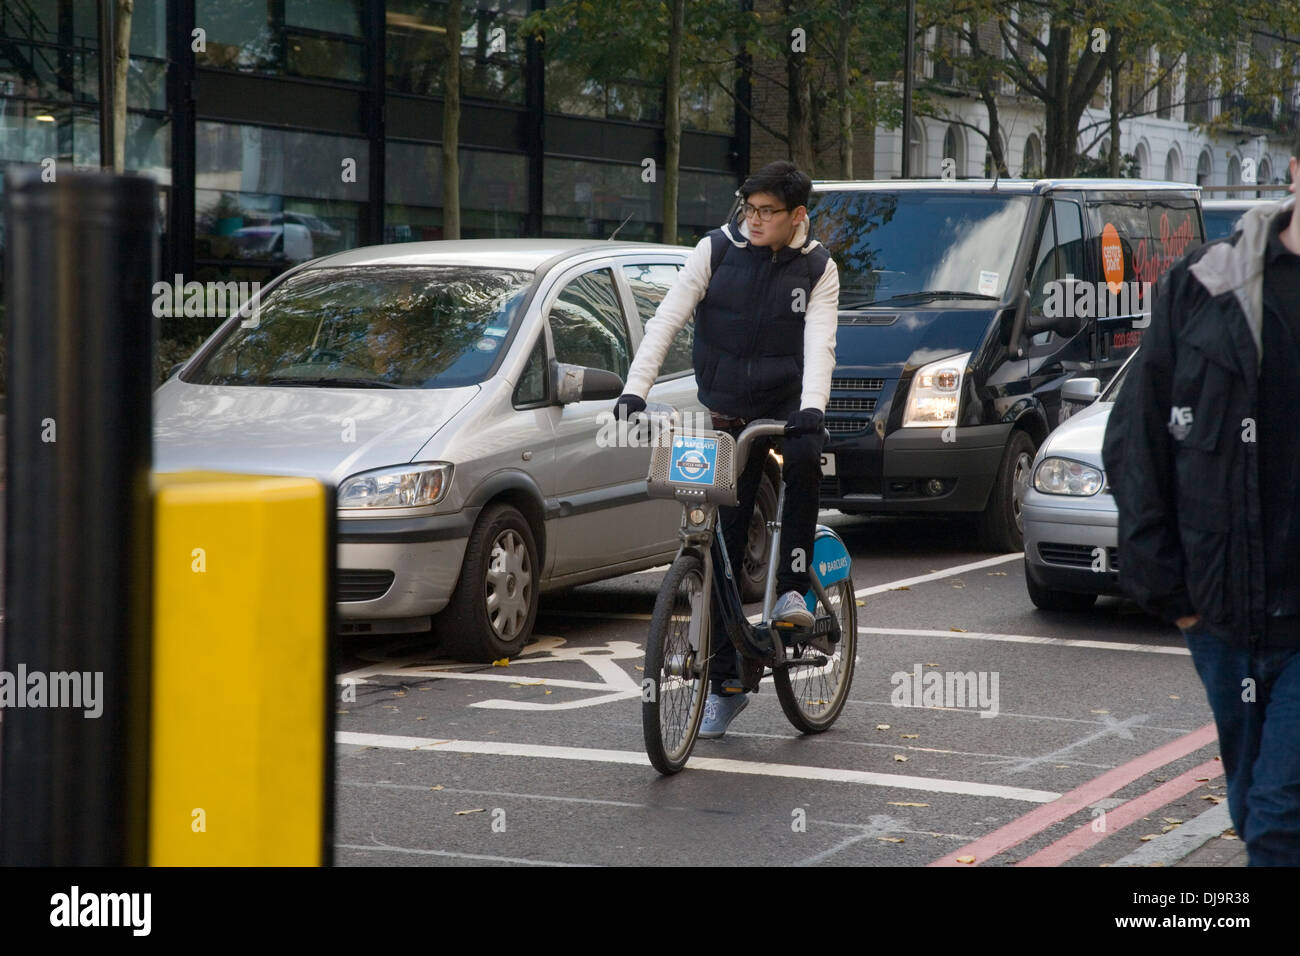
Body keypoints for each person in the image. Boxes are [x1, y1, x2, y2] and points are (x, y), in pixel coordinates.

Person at [1102, 151, 1300, 865]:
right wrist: (1171, 592)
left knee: (1278, 822)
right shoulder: (1206, 282)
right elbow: (1138, 436)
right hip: (1222, 617)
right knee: (1251, 809)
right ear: (1296, 168)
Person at [611, 160, 839, 739]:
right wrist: (635, 391)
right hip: (727, 411)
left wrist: (812, 408)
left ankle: (791, 592)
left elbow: (820, 344)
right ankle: (727, 682)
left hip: (786, 410)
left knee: (805, 459)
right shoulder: (714, 251)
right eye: (748, 208)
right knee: (721, 543)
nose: (754, 220)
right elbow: (665, 321)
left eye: (767, 212)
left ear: (796, 215)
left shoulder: (817, 268)